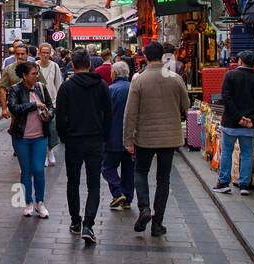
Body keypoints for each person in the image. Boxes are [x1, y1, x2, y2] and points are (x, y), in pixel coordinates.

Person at [122, 41, 189, 237]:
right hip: (169, 138)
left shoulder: (139, 80)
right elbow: (186, 105)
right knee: (163, 179)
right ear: (162, 56)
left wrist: (127, 139)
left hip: (145, 138)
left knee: (141, 171)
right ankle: (157, 223)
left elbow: (130, 113)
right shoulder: (176, 79)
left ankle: (144, 208)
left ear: (145, 56)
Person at [55, 50, 111, 245]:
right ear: (89, 64)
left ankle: (75, 222)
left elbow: (60, 117)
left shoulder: (67, 87)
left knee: (73, 182)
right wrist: (104, 137)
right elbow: (108, 114)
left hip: (74, 141)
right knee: (94, 184)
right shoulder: (102, 85)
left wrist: (64, 136)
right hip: (95, 140)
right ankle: (88, 224)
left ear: (73, 65)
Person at [216, 50, 254, 196]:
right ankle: (244, 185)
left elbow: (226, 98)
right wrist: (252, 119)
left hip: (230, 124)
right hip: (249, 126)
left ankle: (223, 183)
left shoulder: (230, 75)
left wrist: (238, 117)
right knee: (247, 154)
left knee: (227, 151)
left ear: (240, 61)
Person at [7, 62, 53, 219]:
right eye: (33, 73)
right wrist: (34, 105)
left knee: (39, 170)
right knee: (25, 170)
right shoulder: (15, 89)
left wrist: (49, 113)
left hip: (40, 136)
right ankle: (27, 202)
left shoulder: (41, 87)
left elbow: (51, 106)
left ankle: (40, 202)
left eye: (37, 73)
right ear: (24, 75)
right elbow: (14, 108)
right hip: (21, 137)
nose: (36, 76)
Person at [102, 61, 135, 211]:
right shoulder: (133, 88)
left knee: (107, 167)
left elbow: (104, 115)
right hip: (132, 137)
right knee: (129, 169)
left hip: (113, 137)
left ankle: (118, 192)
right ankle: (127, 199)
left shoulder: (110, 90)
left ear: (114, 73)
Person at [35, 43, 64, 166]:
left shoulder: (55, 66)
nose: (45, 55)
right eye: (43, 52)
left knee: (52, 129)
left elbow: (58, 84)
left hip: (52, 102)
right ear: (39, 53)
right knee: (40, 130)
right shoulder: (35, 66)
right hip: (38, 101)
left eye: (47, 52)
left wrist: (59, 102)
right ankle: (43, 154)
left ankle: (50, 150)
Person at [0, 42, 29, 121]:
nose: (20, 56)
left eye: (22, 54)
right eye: (17, 54)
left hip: (32, 104)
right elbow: (2, 88)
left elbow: (43, 87)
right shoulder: (9, 69)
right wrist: (4, 108)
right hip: (16, 106)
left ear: (27, 54)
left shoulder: (35, 67)